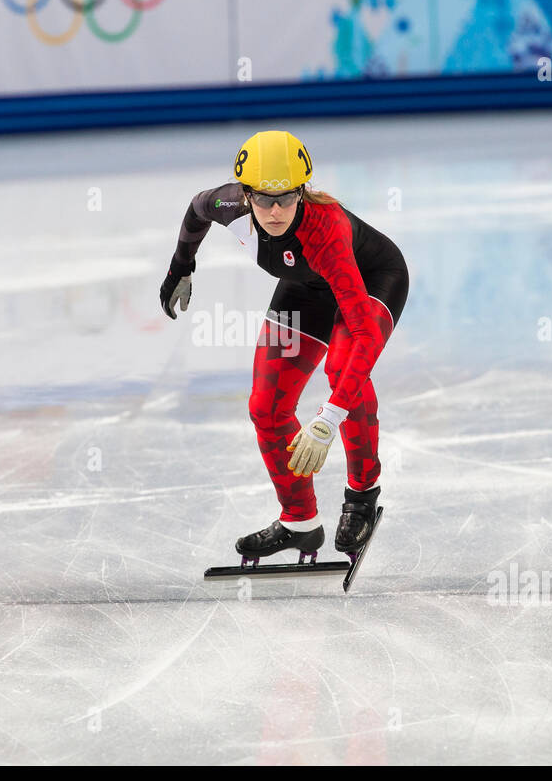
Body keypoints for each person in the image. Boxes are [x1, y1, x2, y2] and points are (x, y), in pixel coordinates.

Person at [159, 131, 409, 562]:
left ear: (303, 191)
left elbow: (365, 334)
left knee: (343, 372)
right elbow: (196, 209)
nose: (275, 211)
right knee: (266, 405)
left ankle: (362, 493)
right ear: (246, 194)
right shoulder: (229, 203)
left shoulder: (325, 230)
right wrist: (181, 267)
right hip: (306, 288)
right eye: (263, 200)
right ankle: (299, 521)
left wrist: (327, 421)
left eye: (288, 199)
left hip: (369, 281)